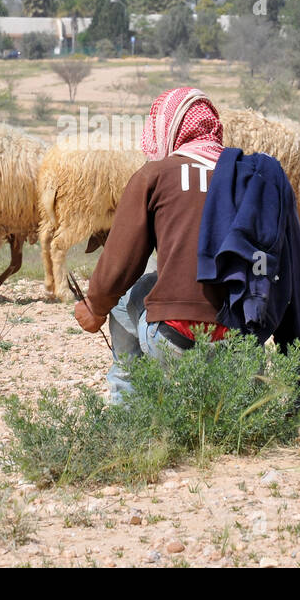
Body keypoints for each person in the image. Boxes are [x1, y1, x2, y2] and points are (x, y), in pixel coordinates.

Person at [72, 87, 232, 402]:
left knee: (122, 297)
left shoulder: (154, 175)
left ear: (167, 128)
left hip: (175, 339)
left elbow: (121, 263)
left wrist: (94, 306)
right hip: (241, 342)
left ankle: (127, 404)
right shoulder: (248, 175)